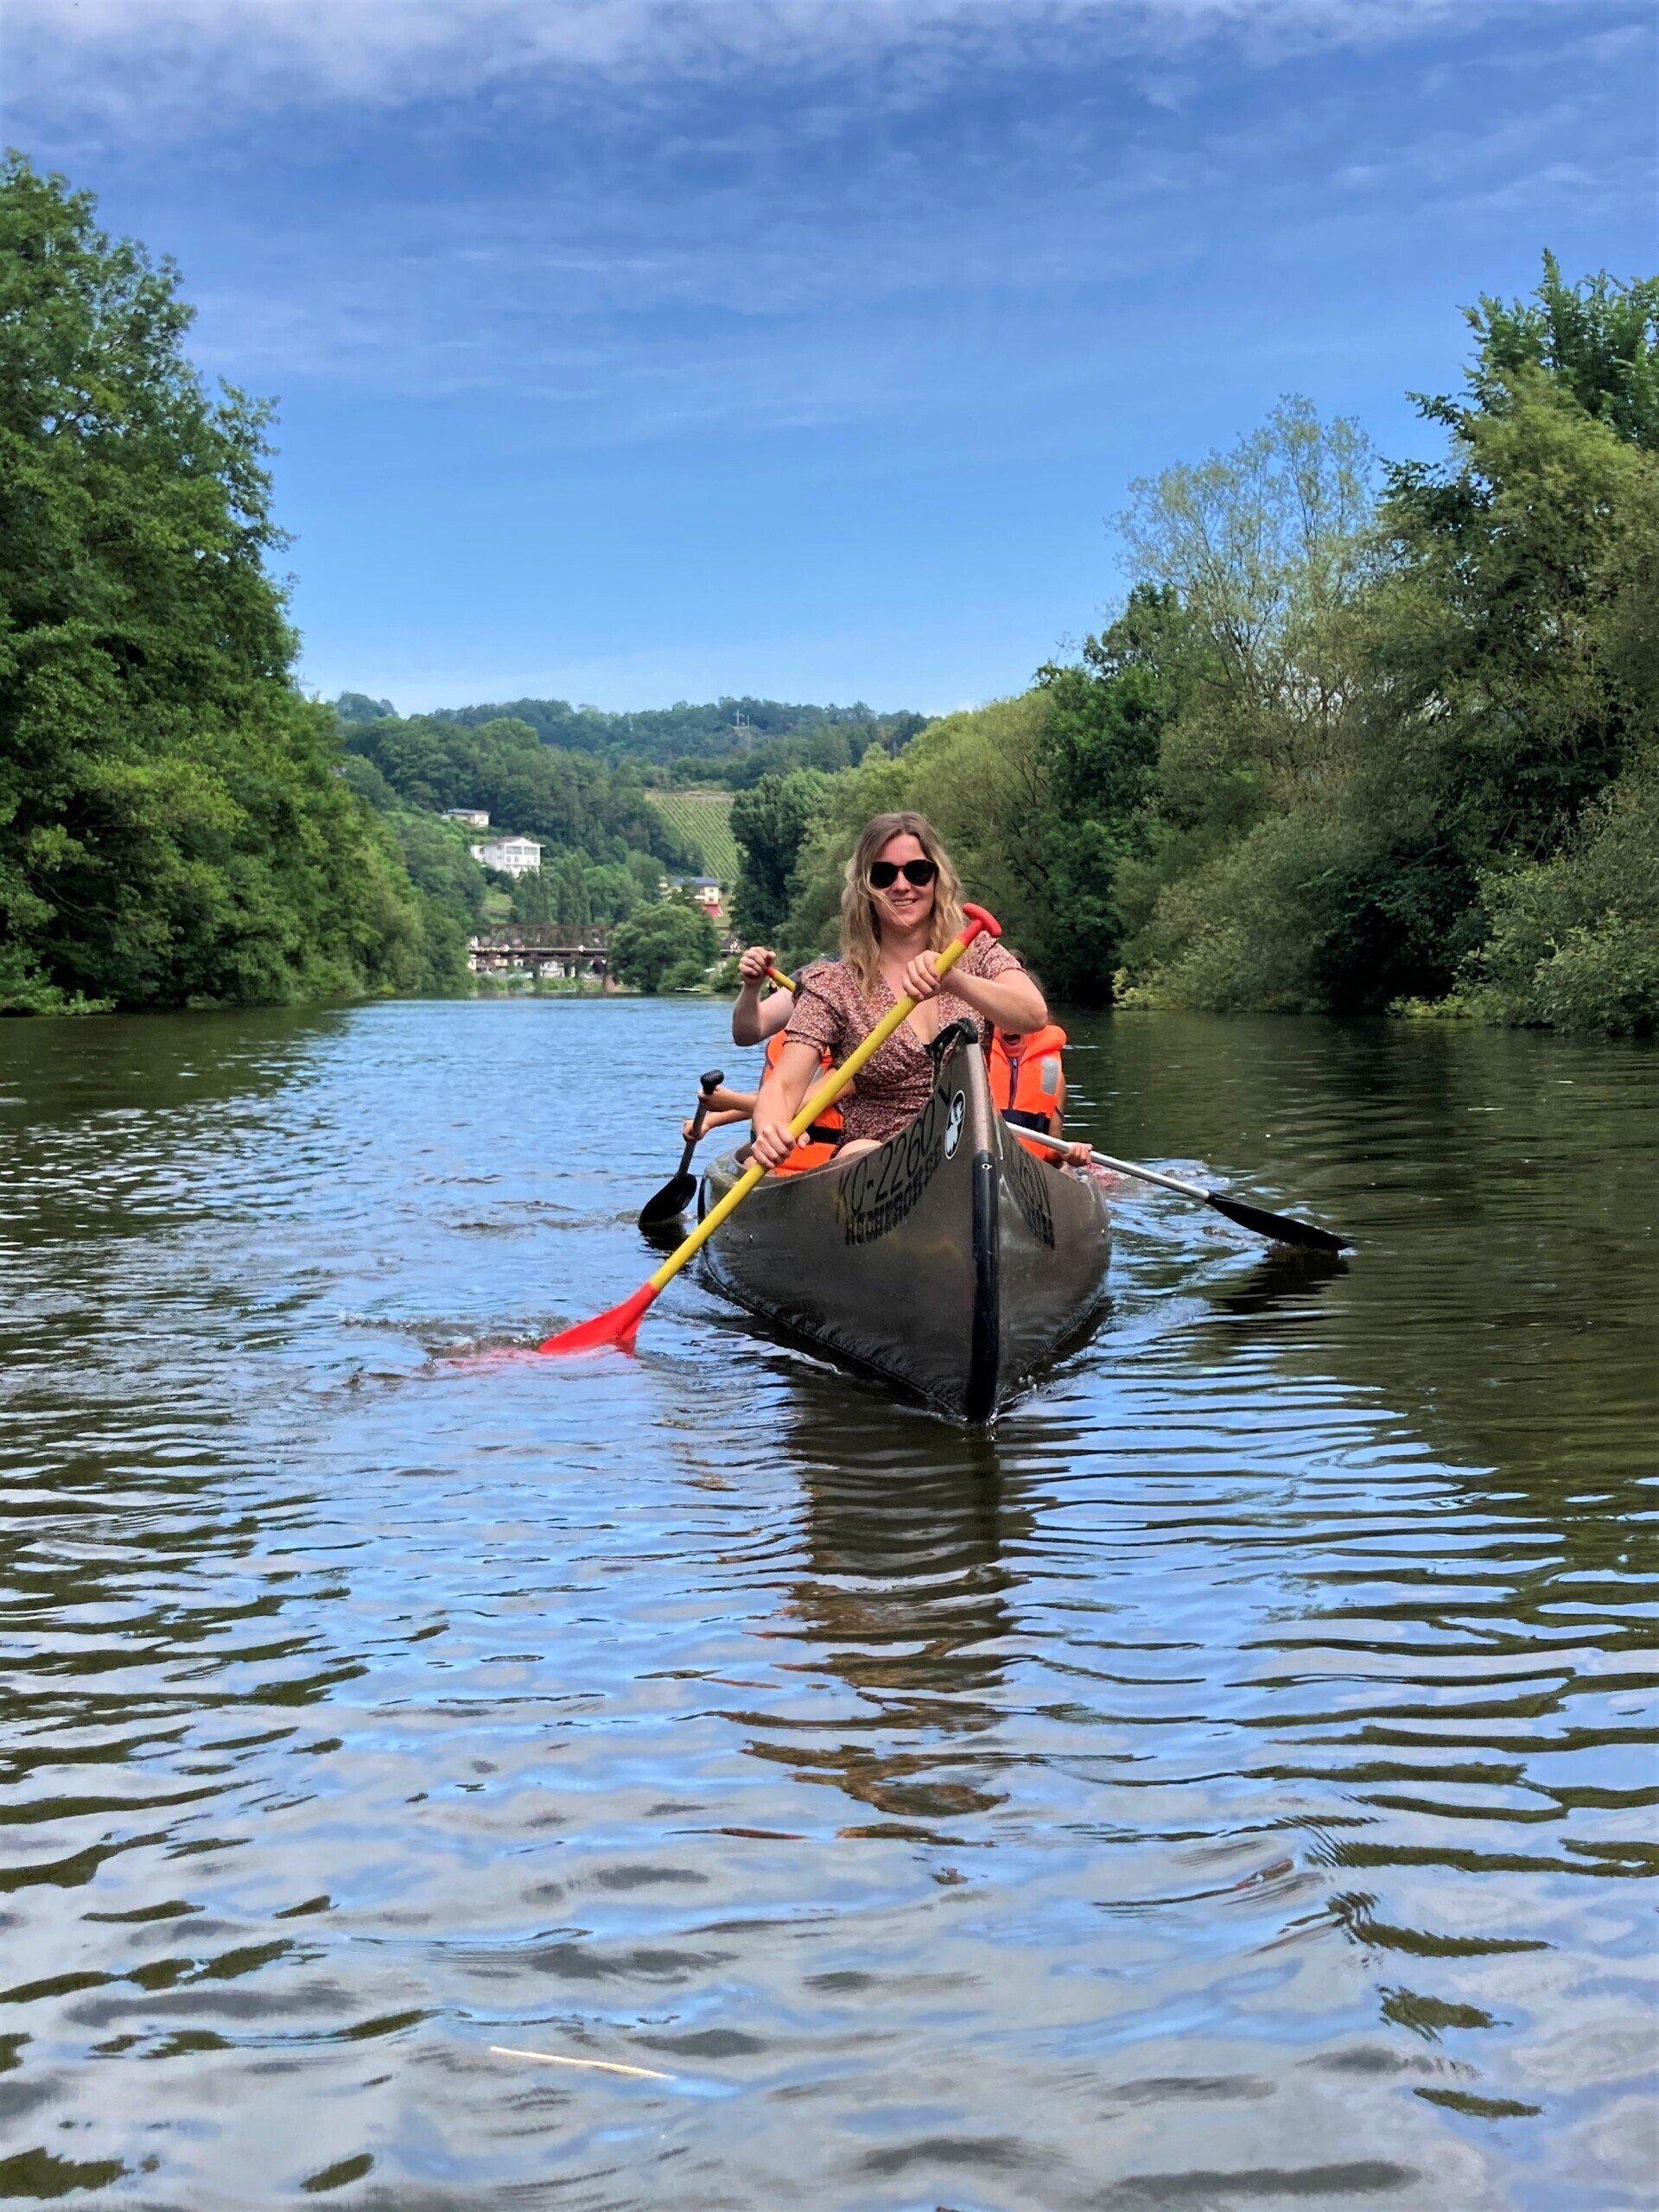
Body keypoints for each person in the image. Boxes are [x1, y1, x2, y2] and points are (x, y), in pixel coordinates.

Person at [749, 811, 1048, 1168]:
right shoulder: (834, 984)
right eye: (884, 875)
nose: (902, 886)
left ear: (936, 879)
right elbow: (783, 1086)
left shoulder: (976, 952)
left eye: (918, 871)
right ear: (866, 887)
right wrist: (770, 1129)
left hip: (967, 1151)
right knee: (859, 1152)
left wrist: (956, 982)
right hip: (873, 1165)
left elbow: (1033, 1015)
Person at [681, 944, 844, 1172]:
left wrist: (730, 1101)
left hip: (828, 1163)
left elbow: (800, 1102)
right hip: (776, 1158)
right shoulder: (795, 1043)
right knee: (749, 1161)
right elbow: (775, 1095)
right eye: (803, 1002)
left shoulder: (854, 1052)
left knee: (753, 1163)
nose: (809, 1012)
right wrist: (711, 1120)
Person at [988, 1002, 1090, 1168]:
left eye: (1018, 1016)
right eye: (1002, 1016)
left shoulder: (1053, 1075)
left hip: (1031, 1167)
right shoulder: (974, 1059)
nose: (1009, 1024)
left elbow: (1052, 1147)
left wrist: (1067, 1152)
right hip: (986, 1159)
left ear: (1033, 1022)